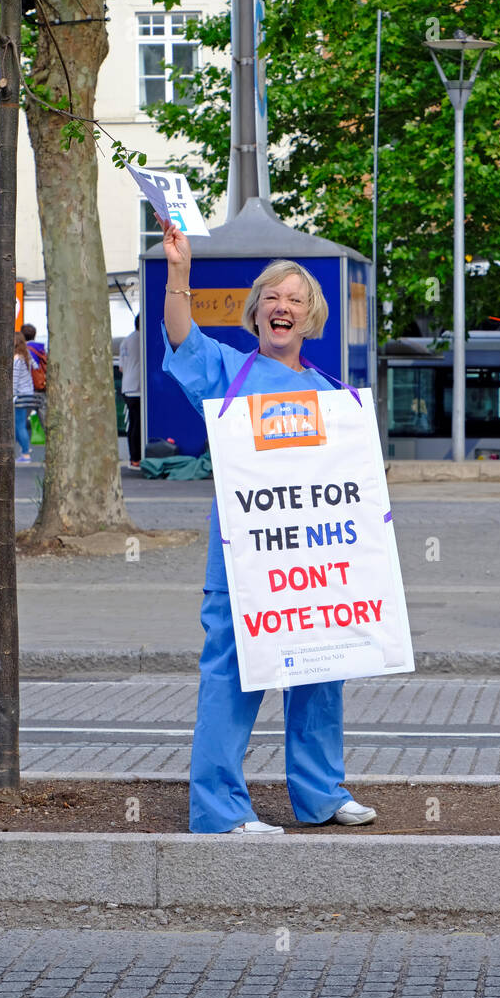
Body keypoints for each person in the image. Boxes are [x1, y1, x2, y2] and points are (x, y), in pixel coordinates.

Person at [161, 216, 376, 834]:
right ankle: (220, 810)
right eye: (273, 299)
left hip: (314, 563)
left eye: (296, 300)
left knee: (321, 674)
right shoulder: (229, 370)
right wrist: (181, 272)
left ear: (310, 320)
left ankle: (321, 795)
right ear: (256, 314)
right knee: (232, 678)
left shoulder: (332, 394)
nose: (283, 307)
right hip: (243, 563)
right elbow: (182, 336)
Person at [119, 313, 142, 467]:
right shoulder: (143, 339)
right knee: (138, 424)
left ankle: (134, 458)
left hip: (127, 386)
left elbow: (120, 368)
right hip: (138, 387)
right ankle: (137, 457)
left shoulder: (125, 341)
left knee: (132, 423)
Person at [13, 332, 37, 461]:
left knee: (19, 424)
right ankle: (25, 448)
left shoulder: (17, 359)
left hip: (20, 395)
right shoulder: (27, 355)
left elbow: (14, 380)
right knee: (21, 423)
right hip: (29, 393)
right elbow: (36, 366)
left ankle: (26, 452)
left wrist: (11, 394)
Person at [20, 322, 47, 427]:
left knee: (19, 423)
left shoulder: (25, 351)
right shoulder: (41, 349)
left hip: (28, 390)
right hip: (41, 388)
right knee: (45, 422)